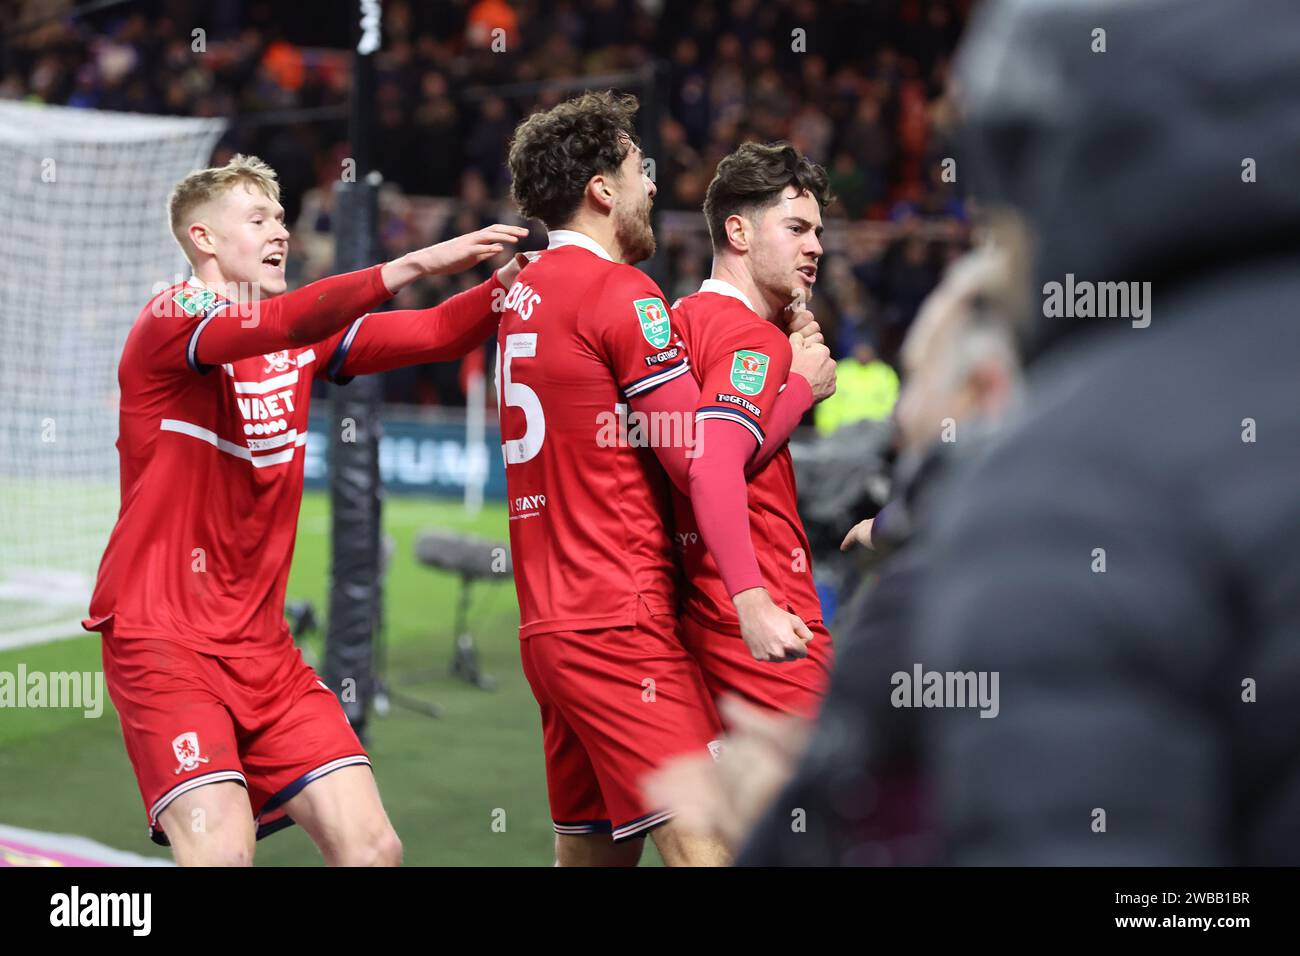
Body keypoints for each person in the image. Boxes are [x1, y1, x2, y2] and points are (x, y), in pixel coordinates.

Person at [84, 153, 528, 866]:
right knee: (222, 855)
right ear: (202, 238)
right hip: (163, 640)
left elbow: (437, 334)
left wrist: (502, 288)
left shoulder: (295, 337)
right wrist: (414, 262)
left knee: (374, 848)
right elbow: (282, 321)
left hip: (264, 651)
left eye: (282, 218)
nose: (280, 232)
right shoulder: (171, 318)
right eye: (257, 219)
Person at [498, 93, 821, 866]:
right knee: (702, 835)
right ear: (602, 190)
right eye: (642, 171)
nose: (653, 188)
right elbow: (701, 460)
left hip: (546, 624)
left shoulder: (522, 297)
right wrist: (801, 389)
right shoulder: (626, 297)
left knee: (592, 853)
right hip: (619, 618)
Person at [669, 141, 839, 716]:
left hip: (694, 615)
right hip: (766, 612)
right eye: (796, 228)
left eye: (817, 232)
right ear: (738, 233)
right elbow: (712, 463)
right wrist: (801, 389)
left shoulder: (679, 321)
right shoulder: (751, 337)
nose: (816, 246)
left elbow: (688, 450)